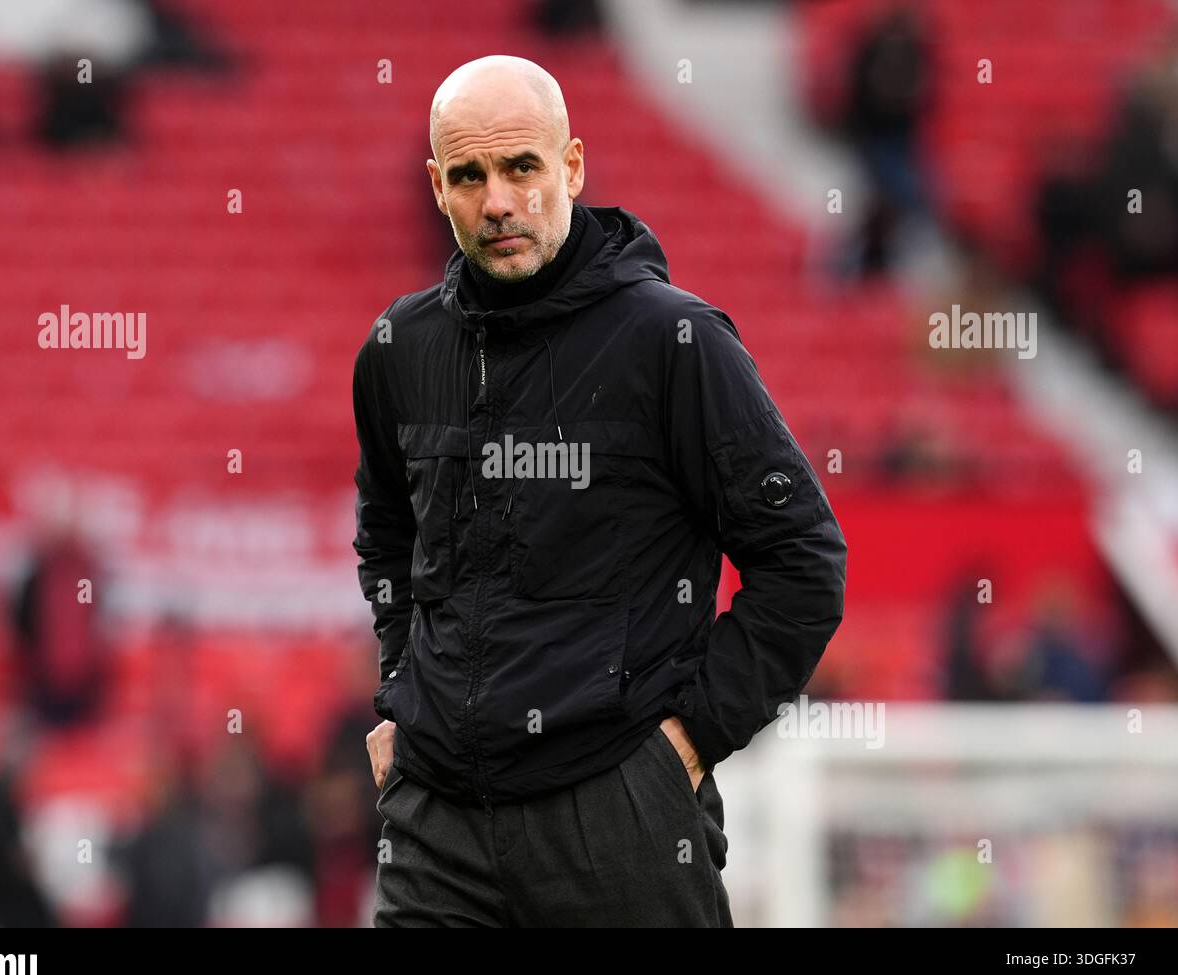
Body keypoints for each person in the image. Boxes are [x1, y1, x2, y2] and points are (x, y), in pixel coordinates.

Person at [352, 55, 847, 927]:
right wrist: (399, 690)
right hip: (437, 826)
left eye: (522, 168)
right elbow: (388, 537)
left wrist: (687, 743)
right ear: (437, 186)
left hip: (617, 816)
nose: (497, 200)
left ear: (572, 167)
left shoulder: (675, 341)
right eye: (468, 176)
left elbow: (803, 561)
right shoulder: (398, 348)